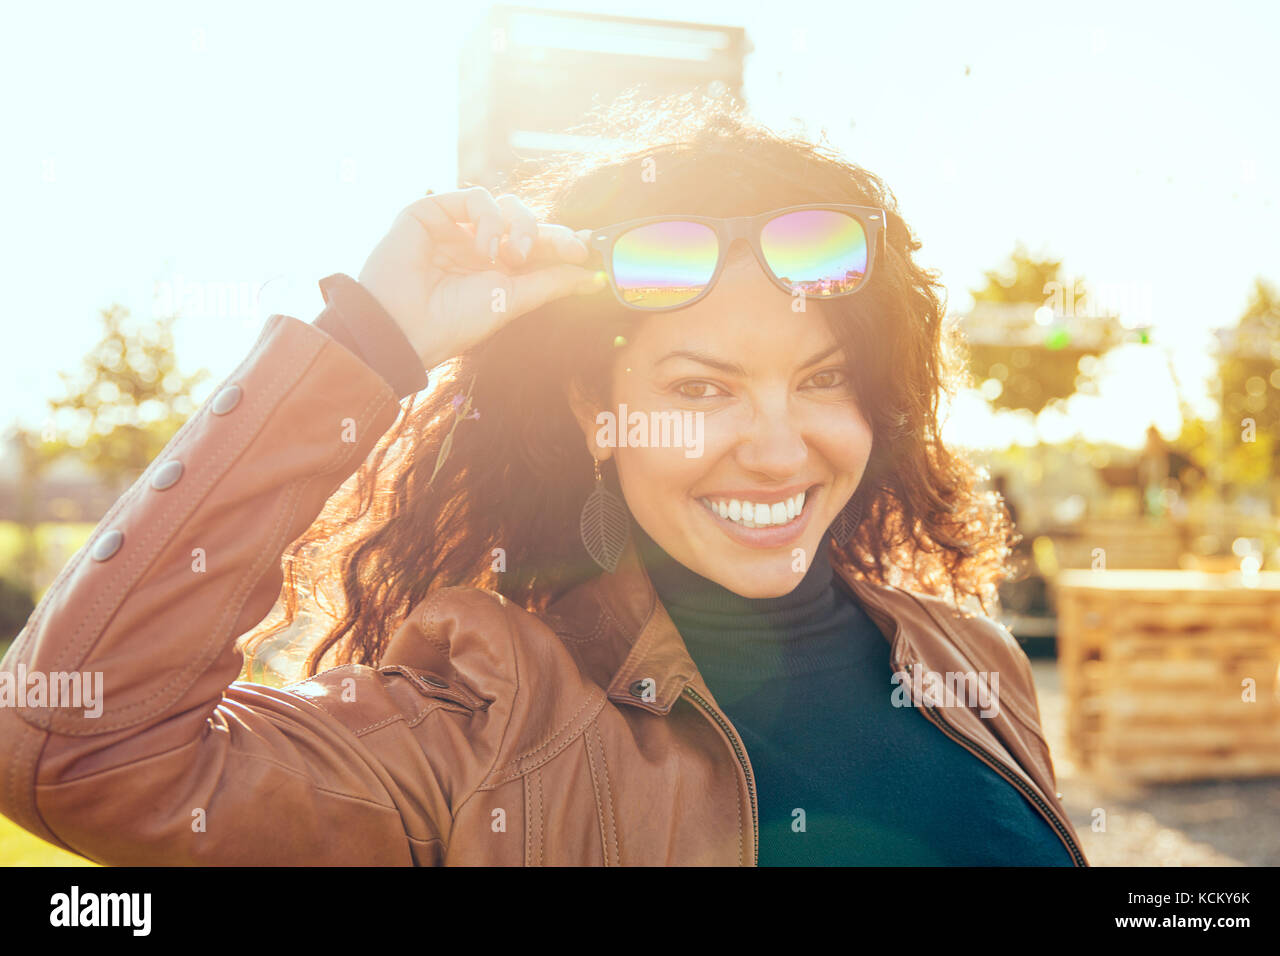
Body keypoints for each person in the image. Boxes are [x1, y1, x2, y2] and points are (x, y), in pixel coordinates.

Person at [0, 101, 1086, 866]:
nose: (775, 445)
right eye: (702, 388)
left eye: (823, 378)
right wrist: (370, 339)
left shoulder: (965, 657)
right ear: (592, 412)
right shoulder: (492, 721)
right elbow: (79, 747)